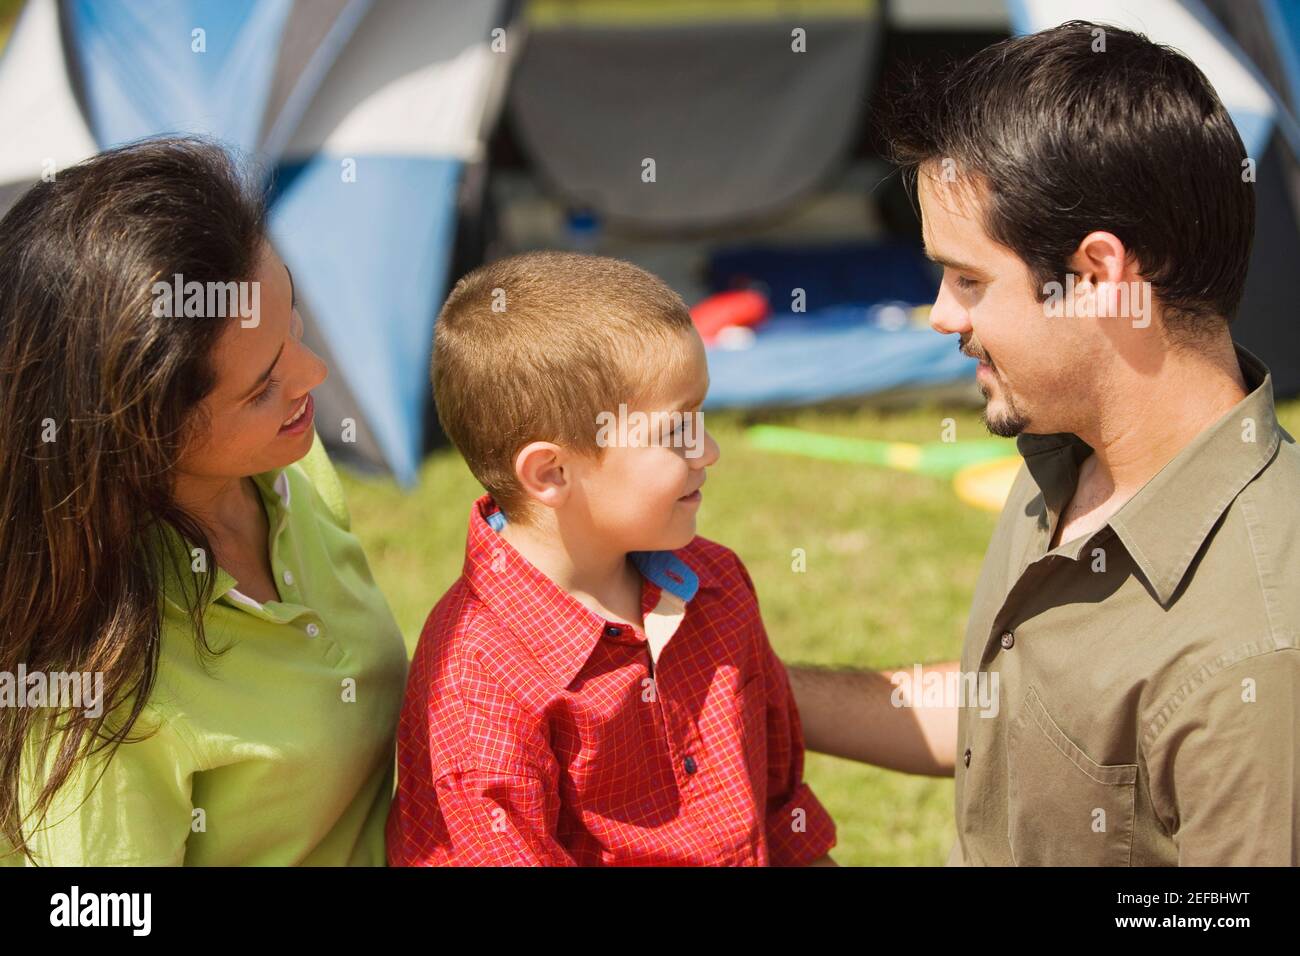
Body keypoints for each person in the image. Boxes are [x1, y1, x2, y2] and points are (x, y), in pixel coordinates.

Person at [789, 21, 1300, 865]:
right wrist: (749, 690)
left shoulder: (1261, 651)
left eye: (968, 280)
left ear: (1100, 276)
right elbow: (1017, 717)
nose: (945, 317)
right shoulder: (1076, 455)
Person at [0, 138, 408, 865]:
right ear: (139, 440)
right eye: (262, 388)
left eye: (294, 323)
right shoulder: (97, 706)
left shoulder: (296, 465)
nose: (313, 375)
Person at [386, 252, 836, 866]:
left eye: (700, 418)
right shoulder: (480, 686)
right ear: (551, 472)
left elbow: (782, 811)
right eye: (676, 431)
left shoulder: (717, 582)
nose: (708, 451)